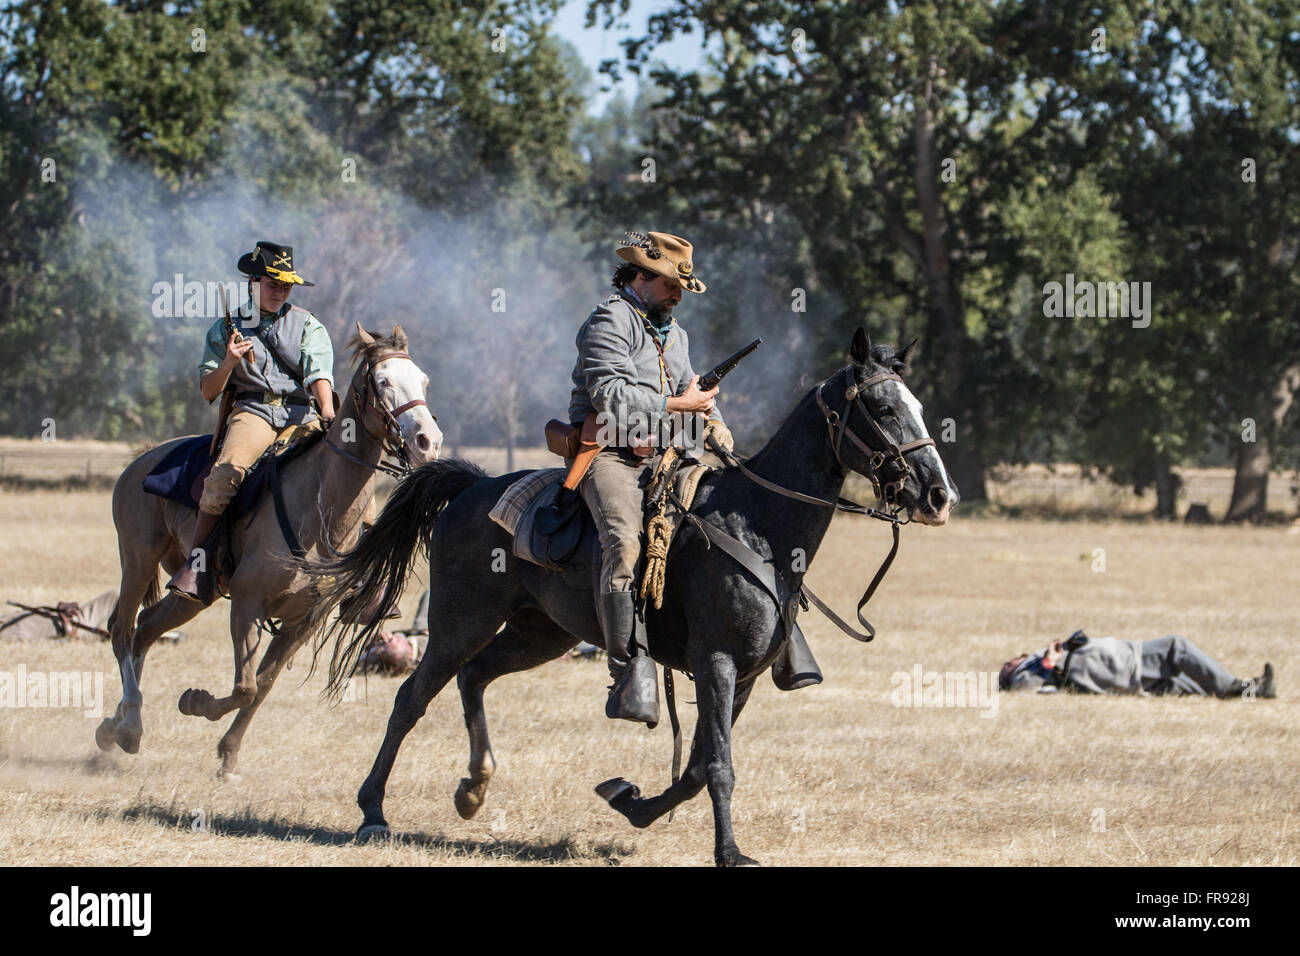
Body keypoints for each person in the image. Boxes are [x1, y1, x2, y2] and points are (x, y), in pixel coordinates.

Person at [567, 231, 732, 725]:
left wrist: (714, 420)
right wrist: (680, 406)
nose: (678, 295)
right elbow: (612, 396)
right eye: (669, 285)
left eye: (681, 287)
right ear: (640, 277)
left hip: (666, 453)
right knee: (624, 544)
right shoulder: (607, 321)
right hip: (610, 451)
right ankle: (626, 671)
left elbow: (689, 387)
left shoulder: (675, 334)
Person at [167, 241, 336, 603]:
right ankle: (197, 565)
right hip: (254, 412)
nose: (280, 292)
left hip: (301, 413)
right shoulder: (224, 329)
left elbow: (319, 372)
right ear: (253, 281)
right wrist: (228, 361)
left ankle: (363, 579)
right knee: (227, 472)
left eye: (286, 286)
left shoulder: (308, 325)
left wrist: (327, 412)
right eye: (273, 283)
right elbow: (208, 391)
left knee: (344, 466)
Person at [999, 630, 1276, 699]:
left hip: (1120, 665)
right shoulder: (1022, 675)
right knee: (1175, 646)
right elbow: (1025, 689)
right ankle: (1230, 685)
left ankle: (1253, 691)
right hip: (1124, 663)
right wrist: (1049, 660)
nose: (1011, 661)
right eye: (1008, 665)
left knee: (1183, 685)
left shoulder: (1030, 664)